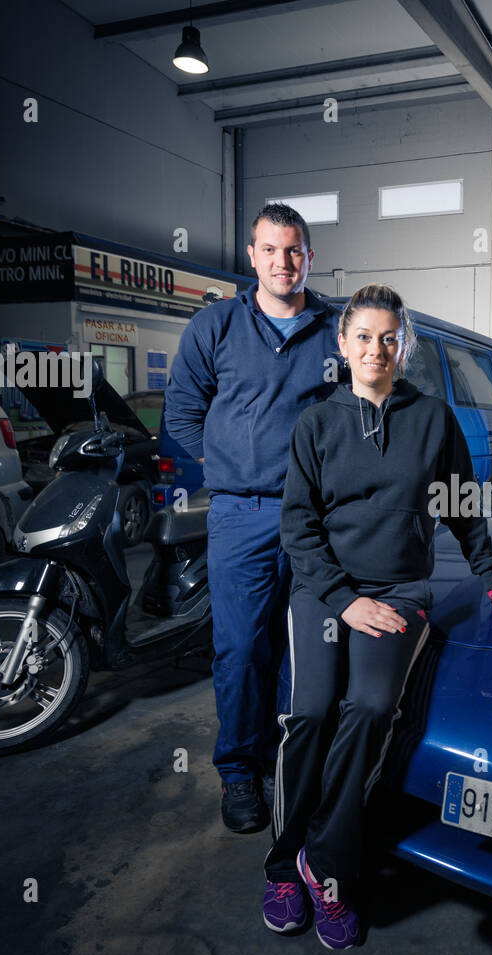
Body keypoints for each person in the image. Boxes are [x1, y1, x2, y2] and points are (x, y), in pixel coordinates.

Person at [263, 283, 492, 948]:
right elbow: (298, 528)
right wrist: (344, 600)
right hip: (325, 589)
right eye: (363, 336)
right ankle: (283, 866)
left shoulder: (433, 419)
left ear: (404, 346)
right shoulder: (316, 423)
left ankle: (325, 868)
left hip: (397, 590)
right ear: (342, 345)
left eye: (388, 337)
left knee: (369, 710)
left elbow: (461, 507)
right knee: (309, 713)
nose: (376, 348)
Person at [163, 203, 341, 833]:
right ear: (252, 256)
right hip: (240, 516)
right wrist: (229, 465)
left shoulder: (335, 329)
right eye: (269, 250)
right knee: (240, 649)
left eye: (293, 250)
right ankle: (241, 773)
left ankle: (295, 764)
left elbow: (363, 409)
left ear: (309, 257)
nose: (282, 262)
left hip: (316, 519)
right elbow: (181, 413)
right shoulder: (214, 325)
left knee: (307, 652)